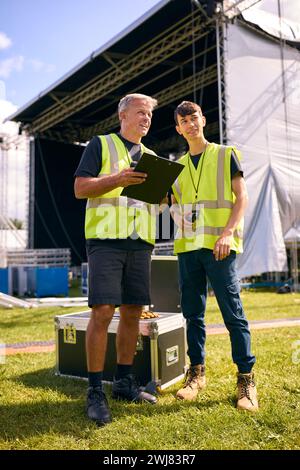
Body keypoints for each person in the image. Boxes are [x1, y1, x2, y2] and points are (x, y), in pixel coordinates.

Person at [74, 93, 158, 426]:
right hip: (105, 241)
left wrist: (166, 199)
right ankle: (95, 391)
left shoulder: (152, 156)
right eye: (140, 112)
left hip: (140, 243)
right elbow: (80, 188)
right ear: (122, 115)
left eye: (149, 114)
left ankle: (124, 382)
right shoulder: (100, 144)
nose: (146, 118)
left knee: (133, 311)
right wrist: (117, 179)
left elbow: (151, 201)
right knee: (104, 311)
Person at [170, 101, 258, 412]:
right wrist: (167, 205)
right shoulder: (176, 167)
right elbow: (172, 204)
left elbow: (242, 195)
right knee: (192, 315)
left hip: (220, 245)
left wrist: (227, 233)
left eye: (193, 117)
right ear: (179, 129)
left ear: (203, 120)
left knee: (232, 314)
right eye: (184, 120)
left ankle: (246, 379)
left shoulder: (225, 154)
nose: (190, 124)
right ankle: (196, 375)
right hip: (187, 248)